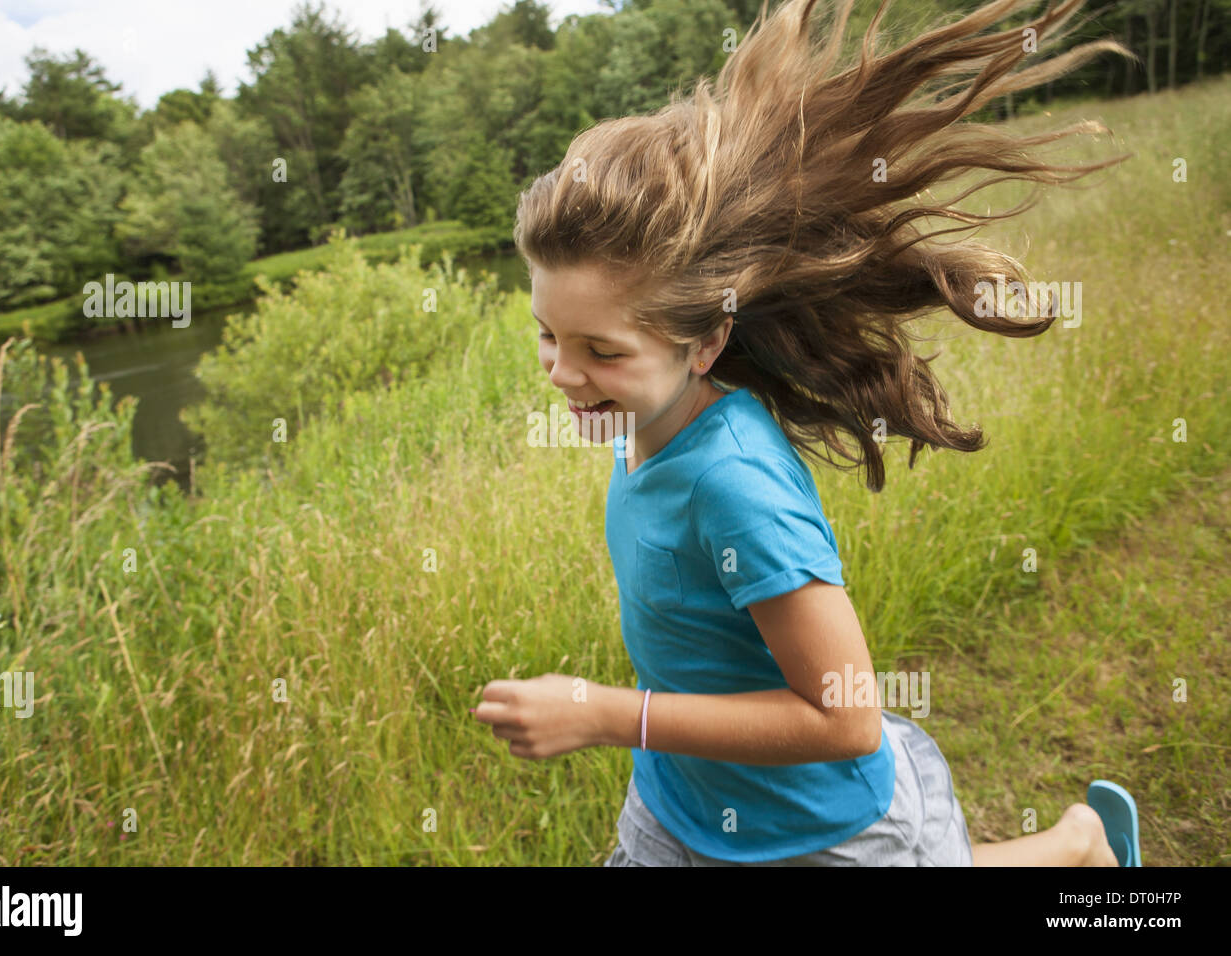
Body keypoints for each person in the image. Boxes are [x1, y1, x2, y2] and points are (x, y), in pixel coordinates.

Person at [470, 0, 1142, 866]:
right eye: (547, 336)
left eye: (601, 349)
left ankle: (1081, 847)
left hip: (818, 833)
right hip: (683, 804)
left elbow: (849, 715)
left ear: (705, 341)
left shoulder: (736, 482)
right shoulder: (642, 419)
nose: (562, 374)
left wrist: (606, 714)